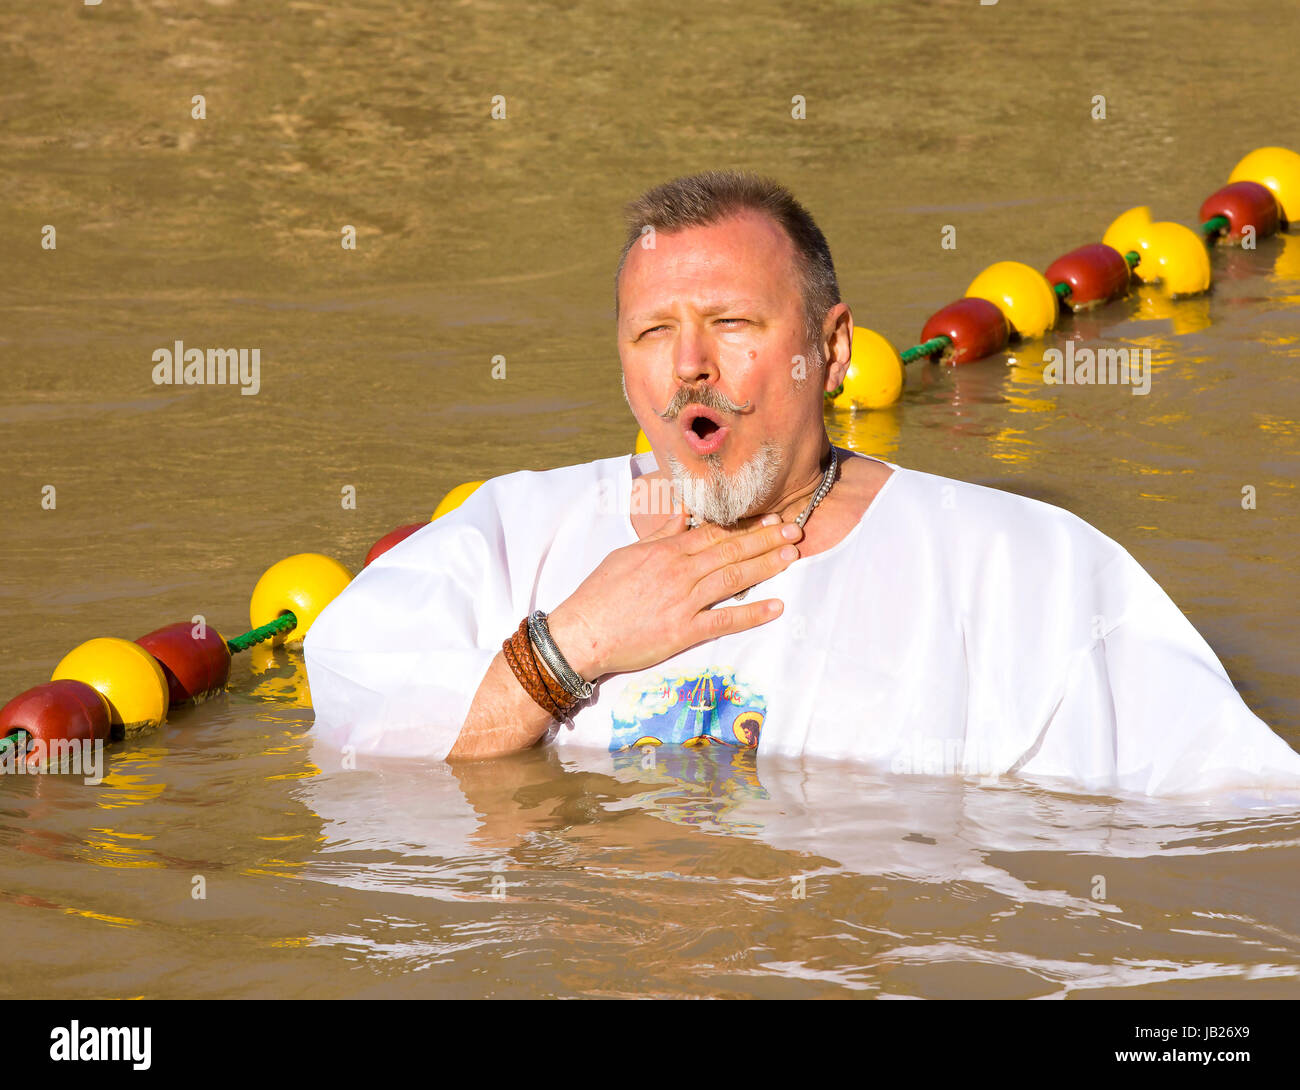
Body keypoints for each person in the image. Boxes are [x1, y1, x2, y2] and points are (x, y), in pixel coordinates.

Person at [303, 170, 1300, 797]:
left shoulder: (1018, 568)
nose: (689, 363)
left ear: (829, 351)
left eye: (731, 325)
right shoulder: (512, 538)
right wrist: (564, 651)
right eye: (654, 333)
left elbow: (1227, 814)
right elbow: (356, 756)